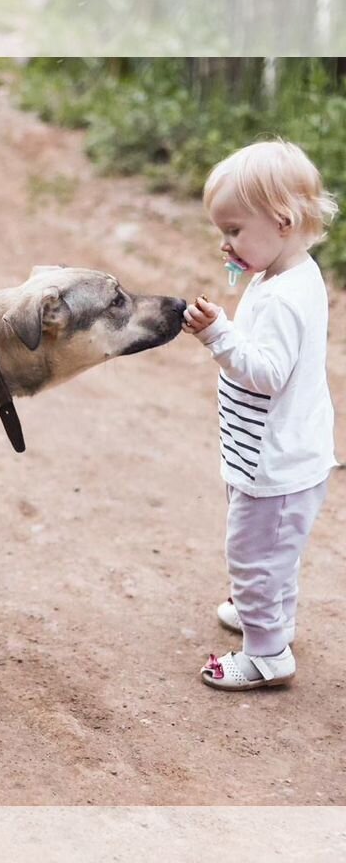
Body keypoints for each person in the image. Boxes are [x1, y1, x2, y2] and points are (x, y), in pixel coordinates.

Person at [183, 139, 339, 691]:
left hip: (274, 465)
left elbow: (267, 372)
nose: (224, 244)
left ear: (282, 221)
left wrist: (217, 334)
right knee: (274, 554)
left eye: (233, 230)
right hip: (278, 453)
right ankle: (271, 618)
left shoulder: (281, 296)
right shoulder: (286, 274)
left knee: (253, 557)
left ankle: (268, 654)